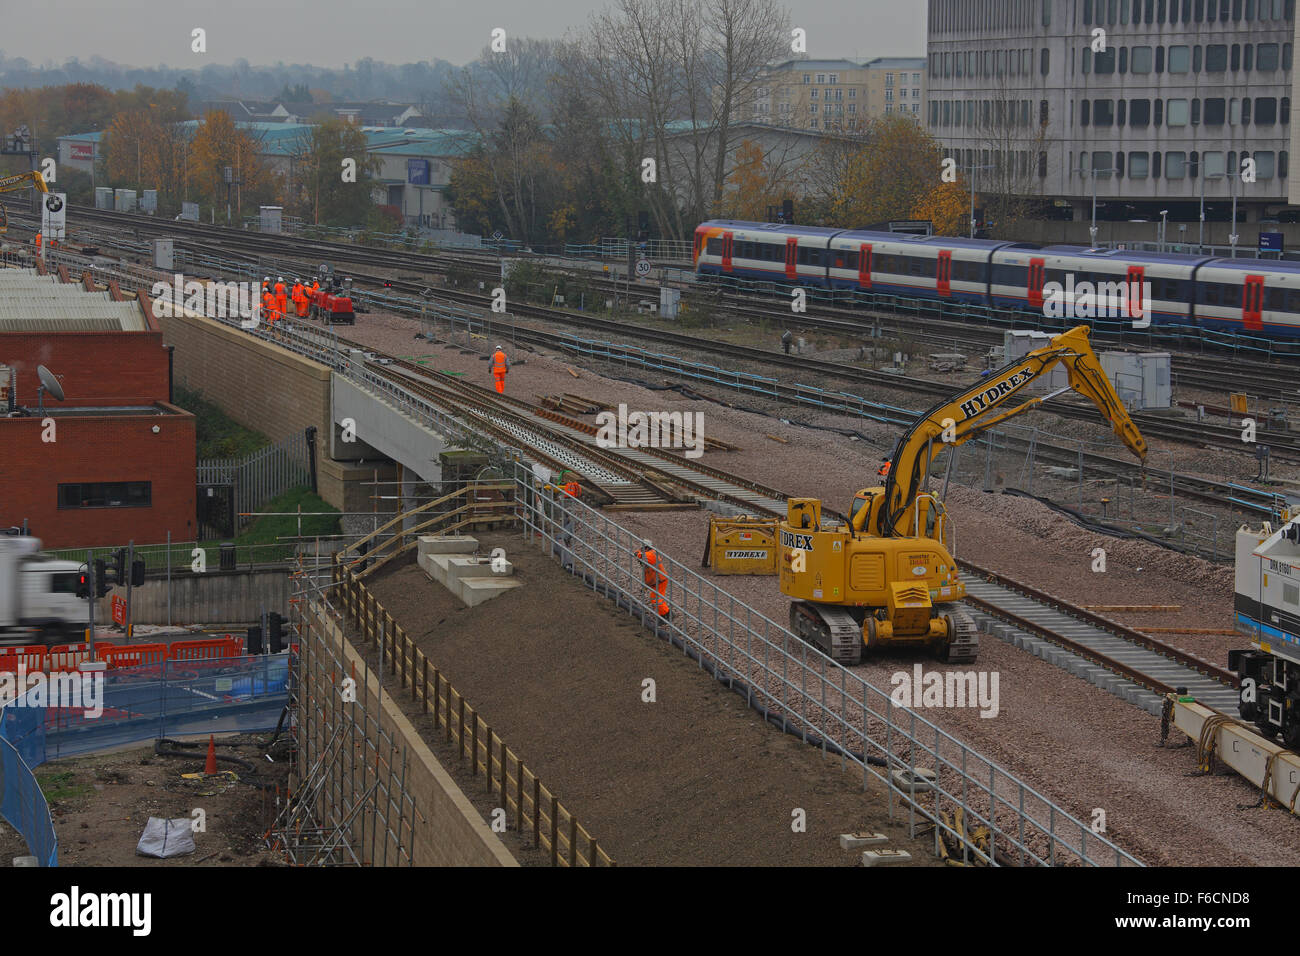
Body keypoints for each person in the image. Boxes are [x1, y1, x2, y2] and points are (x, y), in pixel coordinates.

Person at [635, 538, 670, 620]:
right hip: (656, 581)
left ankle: (667, 614)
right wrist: (644, 587)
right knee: (656, 599)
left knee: (656, 599)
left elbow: (640, 555)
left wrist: (637, 553)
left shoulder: (651, 554)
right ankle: (663, 615)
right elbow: (647, 575)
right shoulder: (649, 556)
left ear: (646, 548)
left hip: (660, 580)